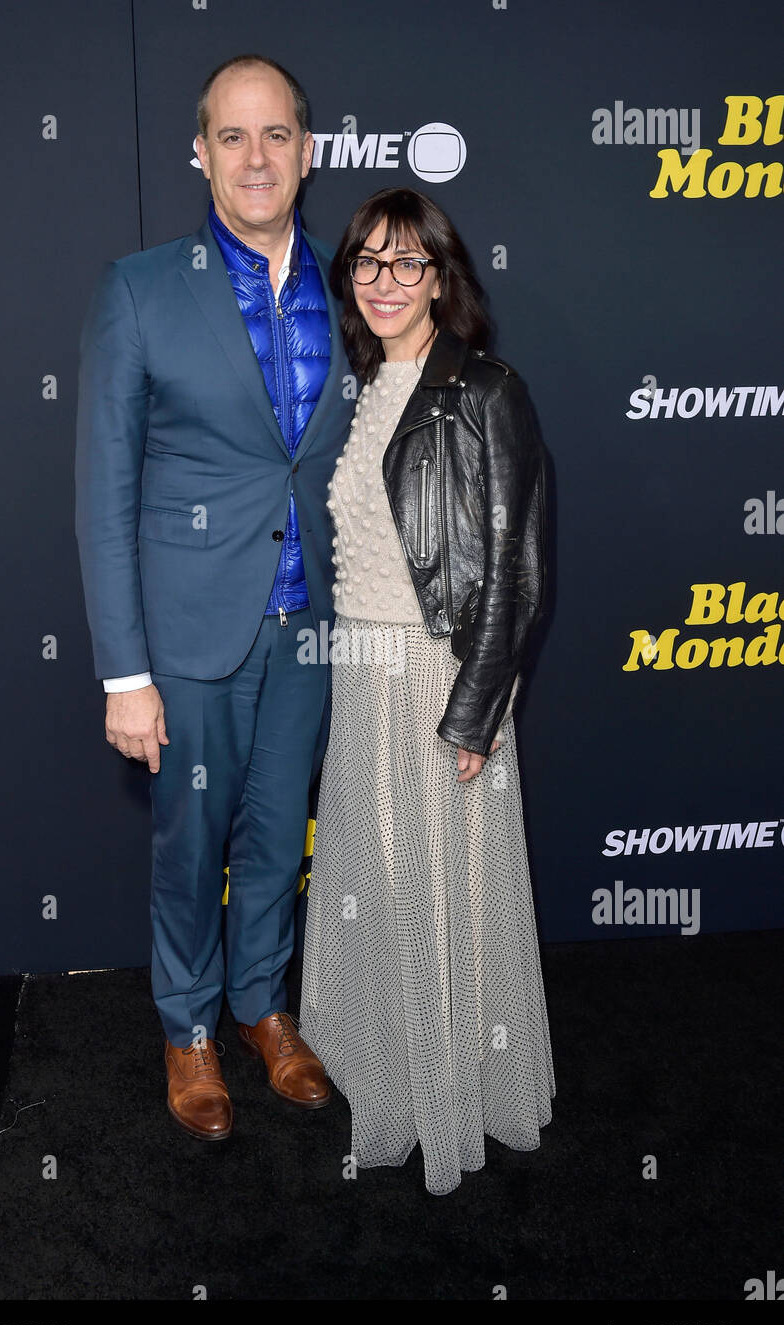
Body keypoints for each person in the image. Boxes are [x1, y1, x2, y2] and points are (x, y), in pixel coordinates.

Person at [75, 55, 355, 1140]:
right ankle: (187, 1031)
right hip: (188, 639)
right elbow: (104, 490)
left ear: (308, 153)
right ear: (199, 152)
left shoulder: (351, 285)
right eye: (230, 137)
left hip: (308, 628)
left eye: (275, 135)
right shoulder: (141, 287)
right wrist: (123, 670)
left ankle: (259, 1009)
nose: (254, 158)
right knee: (190, 843)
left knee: (279, 837)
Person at [299, 187, 556, 1195]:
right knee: (381, 881)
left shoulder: (486, 390)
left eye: (408, 263)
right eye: (366, 262)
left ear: (442, 278)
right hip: (362, 674)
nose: (384, 282)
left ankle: (452, 1095)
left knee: (441, 888)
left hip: (439, 675)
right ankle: (391, 1073)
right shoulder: (363, 386)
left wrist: (473, 711)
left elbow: (516, 571)